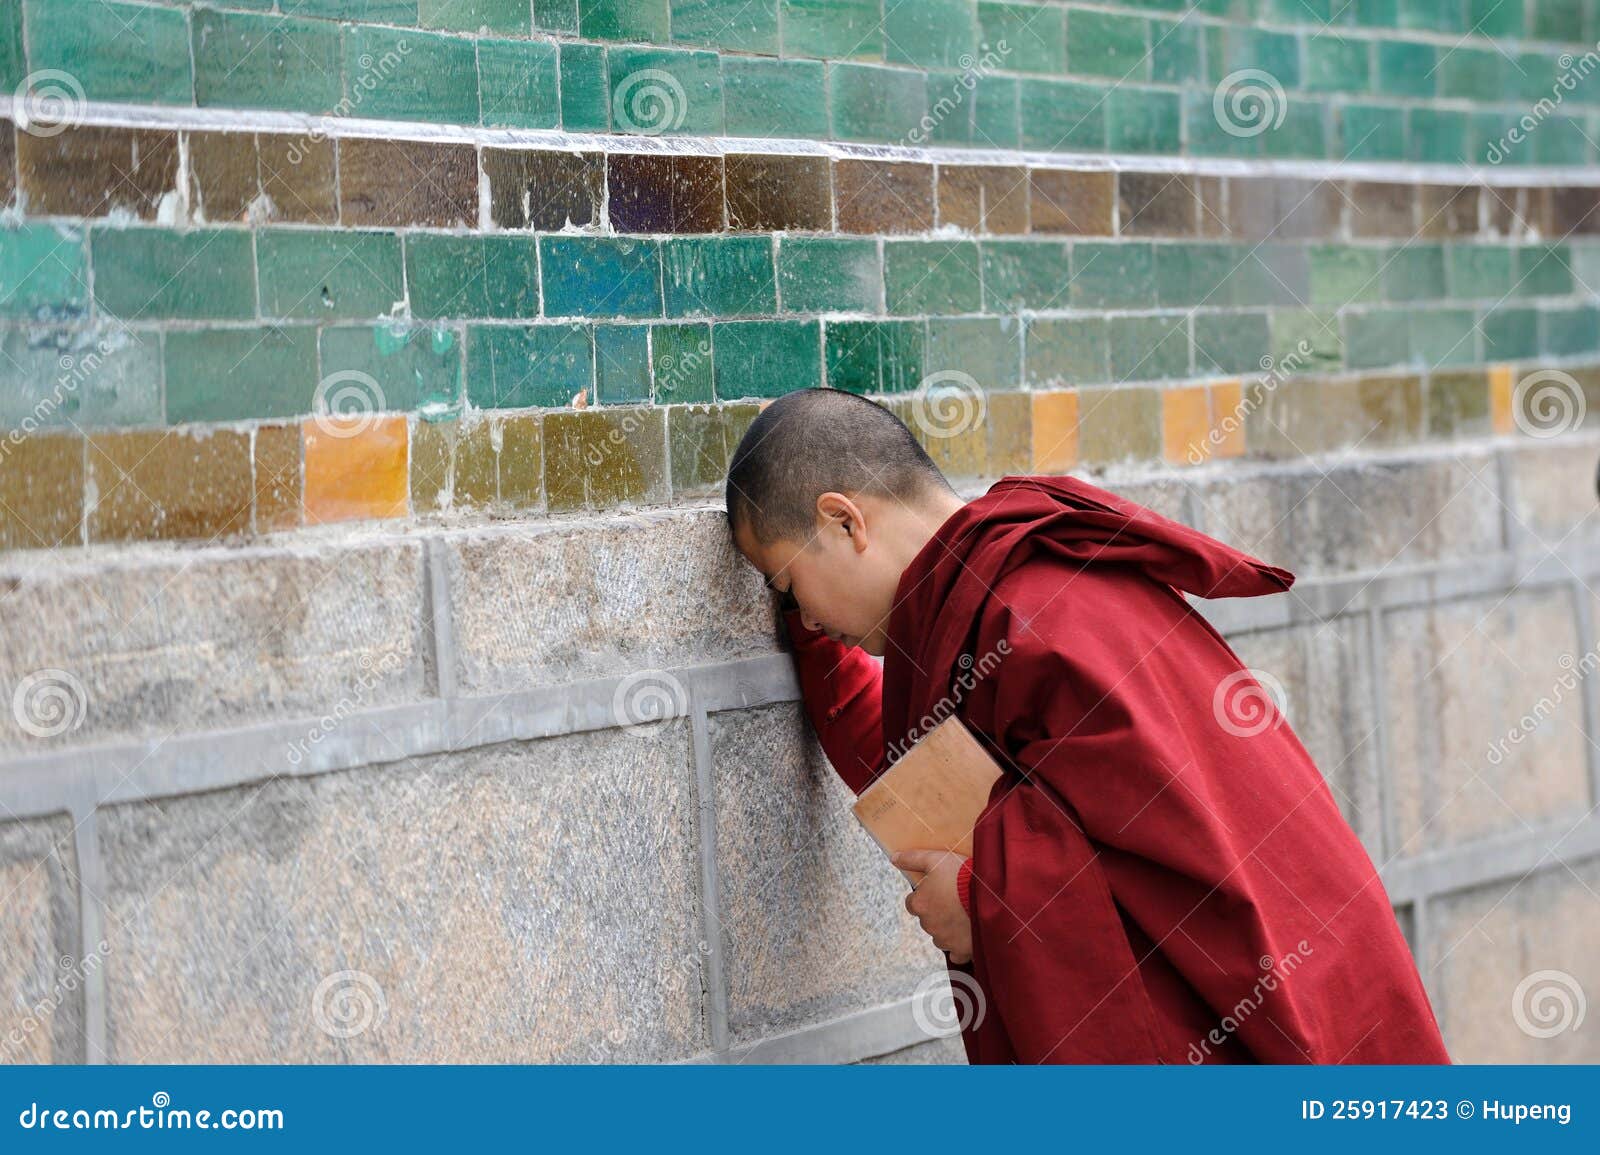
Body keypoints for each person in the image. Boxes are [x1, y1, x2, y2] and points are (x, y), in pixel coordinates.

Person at [724, 387, 1450, 1065]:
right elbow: (911, 779)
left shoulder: (1042, 617)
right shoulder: (976, 607)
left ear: (845, 520)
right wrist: (809, 630)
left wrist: (985, 900)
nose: (807, 616)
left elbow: (1185, 859)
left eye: (790, 586)